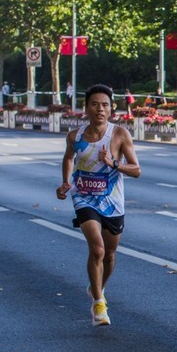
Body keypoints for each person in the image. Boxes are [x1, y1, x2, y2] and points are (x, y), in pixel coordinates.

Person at [55, 84, 141, 326]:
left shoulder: (120, 134)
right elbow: (69, 158)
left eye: (104, 105)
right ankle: (99, 304)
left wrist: (113, 163)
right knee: (98, 250)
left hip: (112, 201)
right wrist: (65, 183)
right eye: (94, 104)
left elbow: (136, 170)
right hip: (84, 197)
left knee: (110, 255)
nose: (99, 109)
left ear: (111, 110)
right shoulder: (75, 136)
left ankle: (97, 288)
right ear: (86, 108)